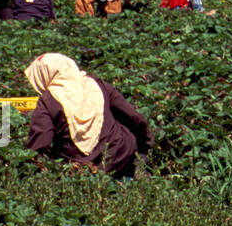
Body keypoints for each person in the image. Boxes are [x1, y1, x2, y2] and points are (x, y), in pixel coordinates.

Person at [24, 53, 152, 178]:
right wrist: (145, 148)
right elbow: (134, 117)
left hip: (80, 168)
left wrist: (31, 169)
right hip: (118, 156)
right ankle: (138, 170)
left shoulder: (48, 100)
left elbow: (40, 143)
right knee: (124, 128)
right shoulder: (97, 85)